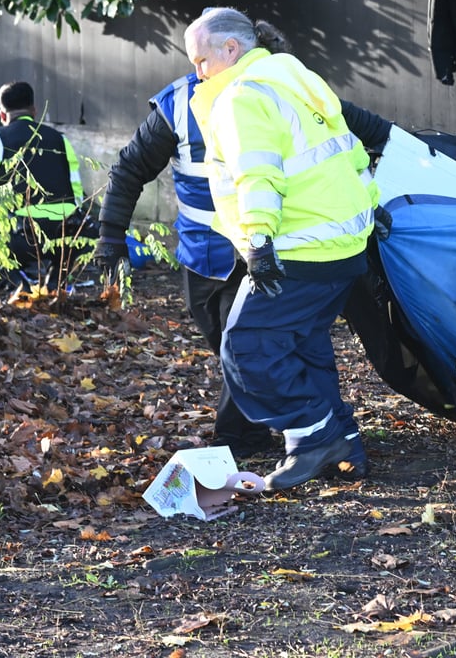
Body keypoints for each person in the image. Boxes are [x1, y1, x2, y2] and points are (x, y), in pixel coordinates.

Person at [91, 70, 393, 465]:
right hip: (205, 253)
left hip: (271, 252)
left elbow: (362, 139)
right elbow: (131, 167)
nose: (202, 67)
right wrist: (111, 234)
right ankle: (304, 434)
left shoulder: (289, 86)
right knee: (240, 347)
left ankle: (269, 438)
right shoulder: (179, 102)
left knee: (253, 345)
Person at [182, 6, 379, 490]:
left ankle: (314, 439)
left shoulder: (240, 96)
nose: (196, 73)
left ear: (231, 49)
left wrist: (258, 244)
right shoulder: (297, 76)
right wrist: (373, 204)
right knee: (303, 343)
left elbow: (258, 174)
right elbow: (350, 150)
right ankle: (344, 443)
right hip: (343, 243)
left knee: (246, 348)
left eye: (201, 61)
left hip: (296, 246)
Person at [0, 81, 94, 290]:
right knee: (78, 223)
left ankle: (18, 284)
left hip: (20, 239)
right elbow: (77, 196)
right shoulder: (60, 139)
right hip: (64, 236)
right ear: (34, 111)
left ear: (2, 115)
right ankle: (56, 281)